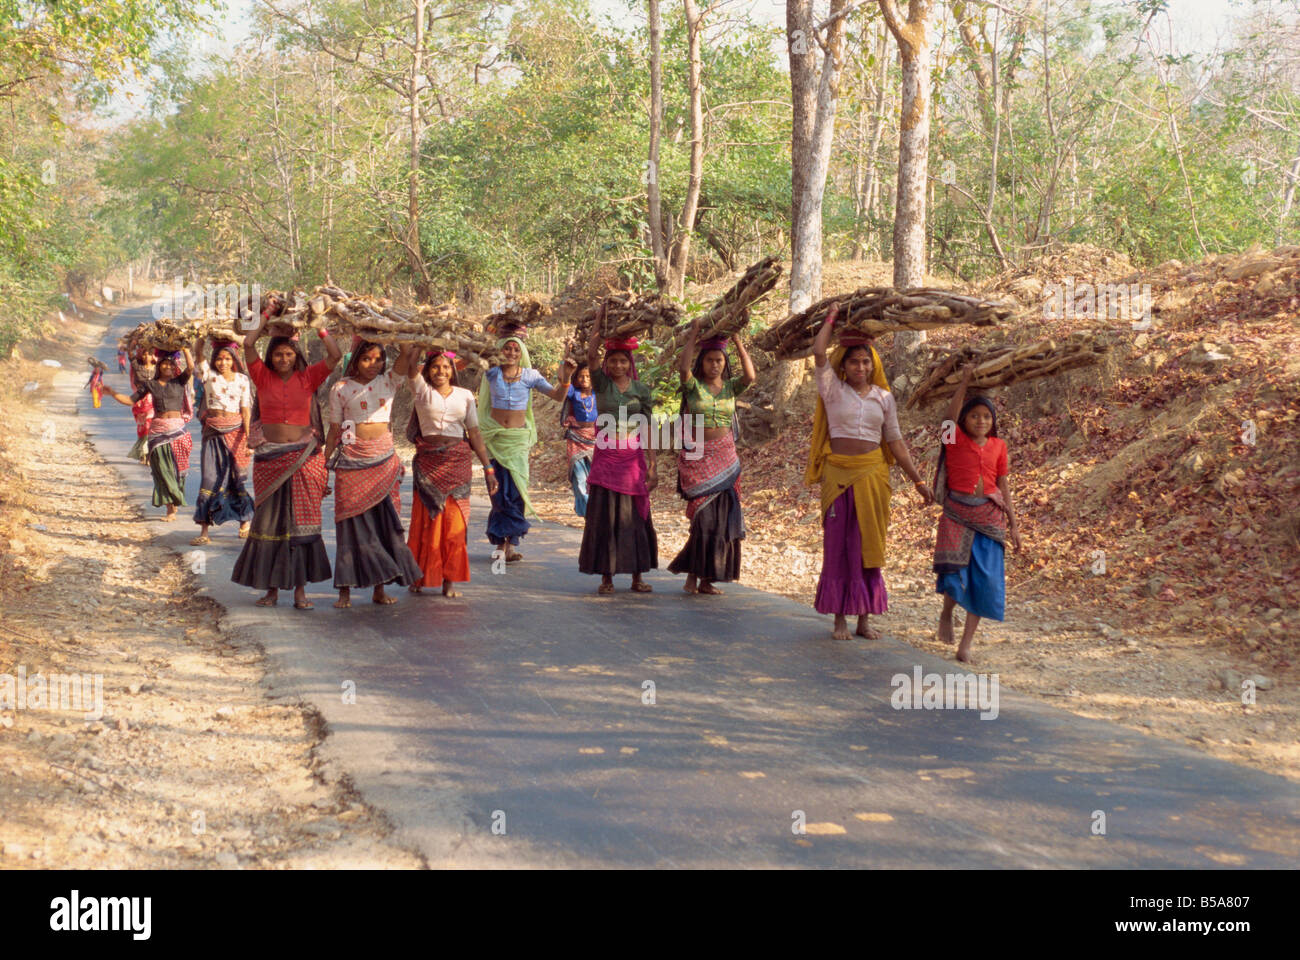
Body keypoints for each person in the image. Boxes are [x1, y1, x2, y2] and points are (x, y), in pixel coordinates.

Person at [808, 305, 932, 641]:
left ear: (873, 363)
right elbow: (819, 351)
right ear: (844, 366)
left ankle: (864, 618)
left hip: (873, 475)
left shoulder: (884, 398)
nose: (860, 367)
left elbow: (895, 442)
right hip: (838, 475)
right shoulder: (833, 390)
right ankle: (838, 620)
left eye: (866, 361)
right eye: (853, 361)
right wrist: (832, 317)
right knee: (837, 545)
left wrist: (918, 481)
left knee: (866, 545)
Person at [230, 316, 341, 609]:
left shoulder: (308, 378)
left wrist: (320, 326)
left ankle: (301, 592)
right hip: (269, 460)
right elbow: (248, 343)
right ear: (271, 356)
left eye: (289, 354)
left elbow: (335, 355)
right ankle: (272, 591)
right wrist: (264, 316)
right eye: (278, 354)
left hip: (303, 459)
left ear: (297, 356)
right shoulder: (261, 376)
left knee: (300, 526)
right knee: (269, 524)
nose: (283, 359)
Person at [323, 340, 423, 607]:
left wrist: (391, 331)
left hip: (383, 461)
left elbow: (406, 352)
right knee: (349, 526)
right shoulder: (341, 388)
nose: (373, 364)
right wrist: (324, 465)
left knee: (383, 524)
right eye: (367, 359)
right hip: (352, 461)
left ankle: (380, 588)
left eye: (378, 359)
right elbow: (335, 430)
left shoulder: (389, 382)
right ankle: (344, 590)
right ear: (355, 360)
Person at [933, 365, 1022, 663]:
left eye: (987, 416)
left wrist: (1014, 525)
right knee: (955, 574)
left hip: (989, 518)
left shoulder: (999, 446)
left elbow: (1003, 485)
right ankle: (947, 613)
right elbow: (947, 419)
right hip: (957, 514)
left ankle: (966, 644)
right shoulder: (954, 440)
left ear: (993, 421)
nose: (981, 421)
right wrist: (965, 382)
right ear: (964, 420)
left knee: (986, 582)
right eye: (974, 415)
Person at [398, 344, 498, 597]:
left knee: (455, 525)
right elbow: (410, 368)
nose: (440, 371)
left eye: (445, 367)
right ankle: (419, 577)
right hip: (428, 465)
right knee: (426, 523)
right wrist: (412, 341)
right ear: (428, 371)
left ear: (453, 370)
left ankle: (449, 582)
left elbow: (473, 432)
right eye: (435, 367)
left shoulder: (464, 396)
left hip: (458, 463)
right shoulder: (421, 391)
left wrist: (488, 468)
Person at [667, 318, 756, 595]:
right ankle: (692, 576)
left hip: (726, 459)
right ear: (702, 363)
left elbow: (751, 376)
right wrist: (693, 334)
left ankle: (707, 580)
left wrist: (739, 340)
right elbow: (683, 368)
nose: (714, 365)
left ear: (724, 363)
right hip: (699, 459)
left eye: (719, 360)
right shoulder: (693, 387)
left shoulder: (730, 388)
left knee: (721, 521)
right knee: (703, 520)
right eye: (709, 360)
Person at [476, 325, 575, 562]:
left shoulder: (531, 376)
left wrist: (567, 377)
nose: (511, 353)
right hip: (496, 439)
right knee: (498, 491)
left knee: (517, 491)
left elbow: (558, 396)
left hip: (518, 441)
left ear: (521, 353)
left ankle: (510, 544)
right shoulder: (491, 373)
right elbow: (471, 358)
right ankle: (499, 544)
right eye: (507, 348)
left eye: (515, 350)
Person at [577, 308, 659, 594]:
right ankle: (607, 578)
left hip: (633, 462)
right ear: (608, 364)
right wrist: (599, 319)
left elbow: (647, 426)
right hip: (606, 461)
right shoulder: (601, 385)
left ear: (630, 363)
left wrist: (653, 464)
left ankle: (637, 577)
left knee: (636, 518)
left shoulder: (641, 390)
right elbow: (590, 356)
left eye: (623, 360)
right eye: (613, 361)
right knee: (606, 518)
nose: (619, 365)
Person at [101, 346, 196, 521]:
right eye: (164, 364)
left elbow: (190, 368)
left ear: (175, 366)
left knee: (177, 470)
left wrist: (185, 348)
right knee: (161, 470)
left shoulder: (179, 381)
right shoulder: (150, 385)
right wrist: (113, 393)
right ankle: (170, 508)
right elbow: (131, 400)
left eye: (170, 364)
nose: (167, 367)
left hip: (178, 430)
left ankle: (174, 500)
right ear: (158, 366)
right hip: (158, 432)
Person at [189, 336, 253, 545]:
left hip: (237, 434)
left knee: (237, 478)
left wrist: (250, 441)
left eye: (227, 358)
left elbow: (245, 411)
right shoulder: (208, 376)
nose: (223, 362)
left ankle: (245, 521)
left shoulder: (242, 380)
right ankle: (204, 531)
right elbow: (199, 355)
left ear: (234, 359)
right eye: (219, 358)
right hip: (213, 434)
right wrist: (201, 335)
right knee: (209, 479)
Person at [560, 363, 598, 516]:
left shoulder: (598, 393)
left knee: (594, 477)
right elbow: (562, 380)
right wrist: (565, 359)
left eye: (588, 376)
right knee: (579, 477)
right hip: (576, 438)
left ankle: (593, 509)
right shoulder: (573, 393)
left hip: (595, 439)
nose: (584, 379)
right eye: (581, 376)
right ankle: (589, 511)